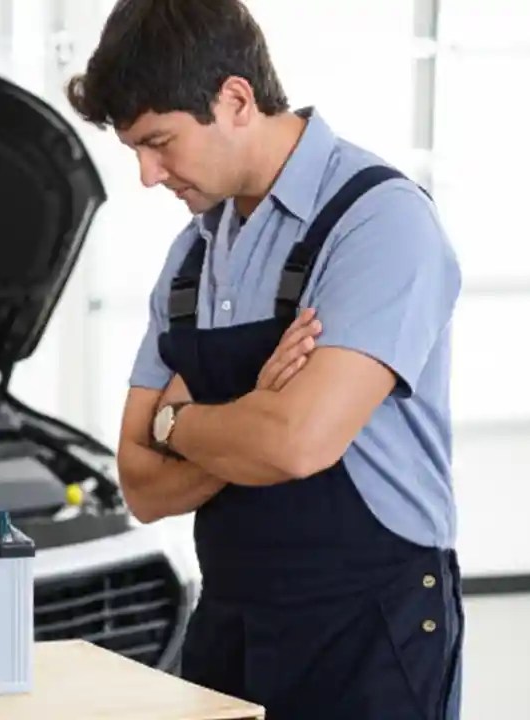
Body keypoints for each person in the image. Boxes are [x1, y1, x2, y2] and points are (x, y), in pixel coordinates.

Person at [64, 1, 464, 719]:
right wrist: (253, 411)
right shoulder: (191, 258)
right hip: (230, 624)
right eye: (135, 151)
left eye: (160, 142)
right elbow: (142, 486)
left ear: (236, 99)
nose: (149, 175)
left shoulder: (379, 222)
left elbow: (296, 444)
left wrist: (177, 422)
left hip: (370, 630)